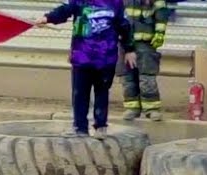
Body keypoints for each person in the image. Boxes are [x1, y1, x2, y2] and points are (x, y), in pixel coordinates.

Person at [36, 0, 137, 137]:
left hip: (105, 58)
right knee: (80, 94)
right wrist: (47, 18)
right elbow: (65, 10)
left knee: (102, 92)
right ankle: (80, 127)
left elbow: (124, 26)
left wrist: (130, 49)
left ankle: (101, 126)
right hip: (82, 57)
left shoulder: (116, 3)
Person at [122, 0, 171, 120]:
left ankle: (151, 108)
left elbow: (161, 14)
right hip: (125, 43)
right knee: (128, 77)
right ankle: (132, 107)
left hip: (146, 43)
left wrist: (160, 33)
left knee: (147, 76)